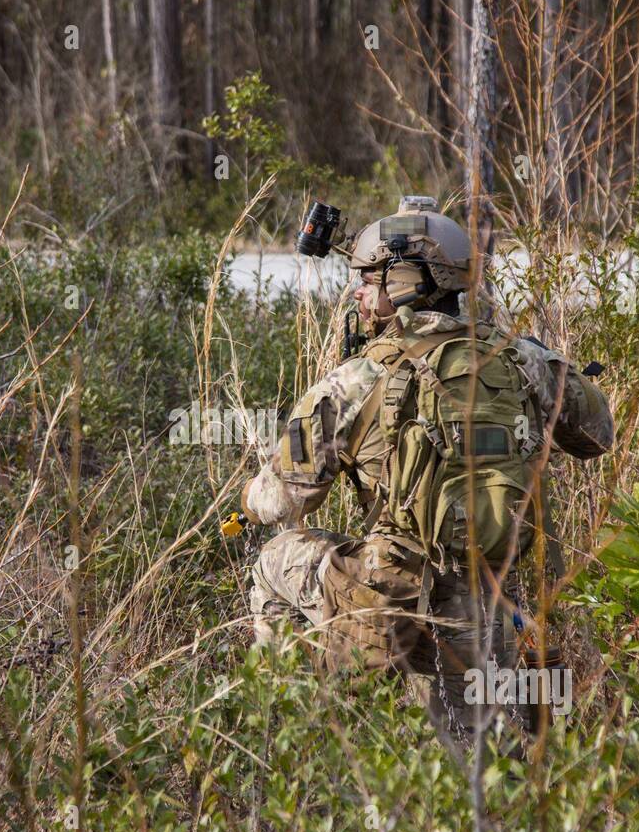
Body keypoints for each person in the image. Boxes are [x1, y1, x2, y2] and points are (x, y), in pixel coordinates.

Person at [238, 196, 613, 737]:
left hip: (390, 605)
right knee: (482, 769)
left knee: (275, 561)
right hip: (489, 611)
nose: (358, 293)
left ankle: (290, 734)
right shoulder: (521, 360)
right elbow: (599, 435)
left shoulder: (356, 379)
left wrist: (249, 498)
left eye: (367, 280)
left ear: (405, 282)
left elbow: (279, 500)